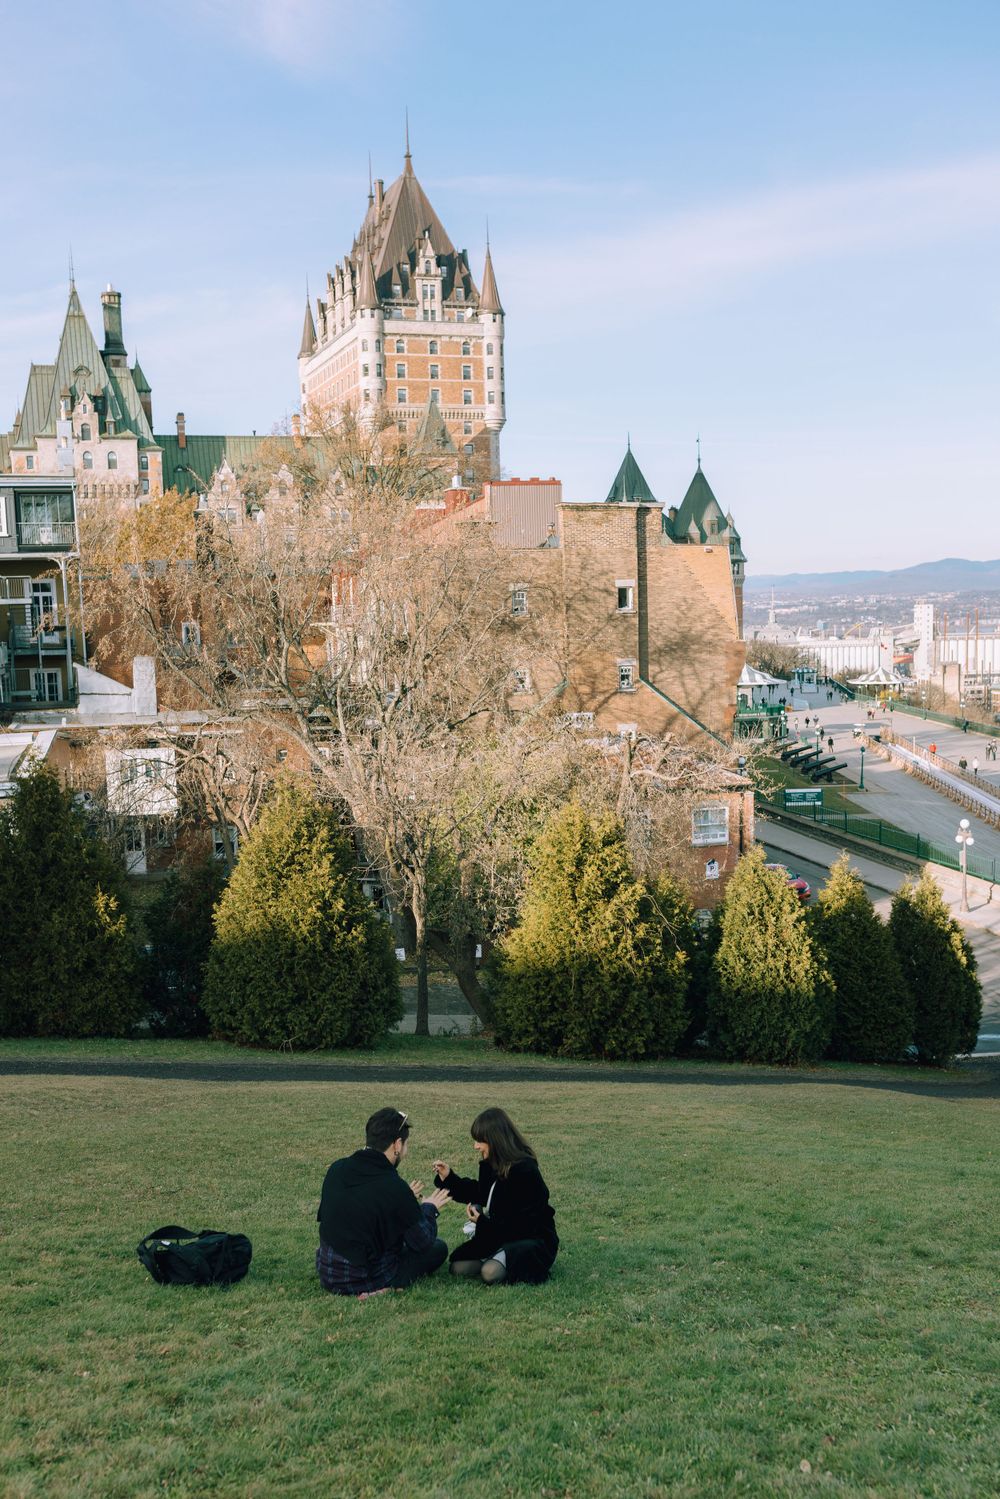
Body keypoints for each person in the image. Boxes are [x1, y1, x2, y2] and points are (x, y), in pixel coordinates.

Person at [316, 1108, 450, 1297]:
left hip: (329, 1273)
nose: (405, 1151)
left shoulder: (337, 1169)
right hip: (366, 1277)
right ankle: (390, 1286)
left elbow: (361, 1207)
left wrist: (405, 1199)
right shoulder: (394, 1187)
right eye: (405, 1145)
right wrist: (429, 1207)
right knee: (438, 1248)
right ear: (397, 1144)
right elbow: (422, 1242)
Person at [433, 1108, 558, 1286]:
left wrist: (482, 1223)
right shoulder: (493, 1163)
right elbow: (481, 1193)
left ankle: (507, 1261)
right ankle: (496, 1257)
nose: (475, 1146)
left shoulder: (525, 1170)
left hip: (531, 1239)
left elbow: (522, 1224)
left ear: (495, 1139)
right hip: (499, 1235)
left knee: (489, 1273)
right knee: (457, 1267)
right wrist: (449, 1178)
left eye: (479, 1141)